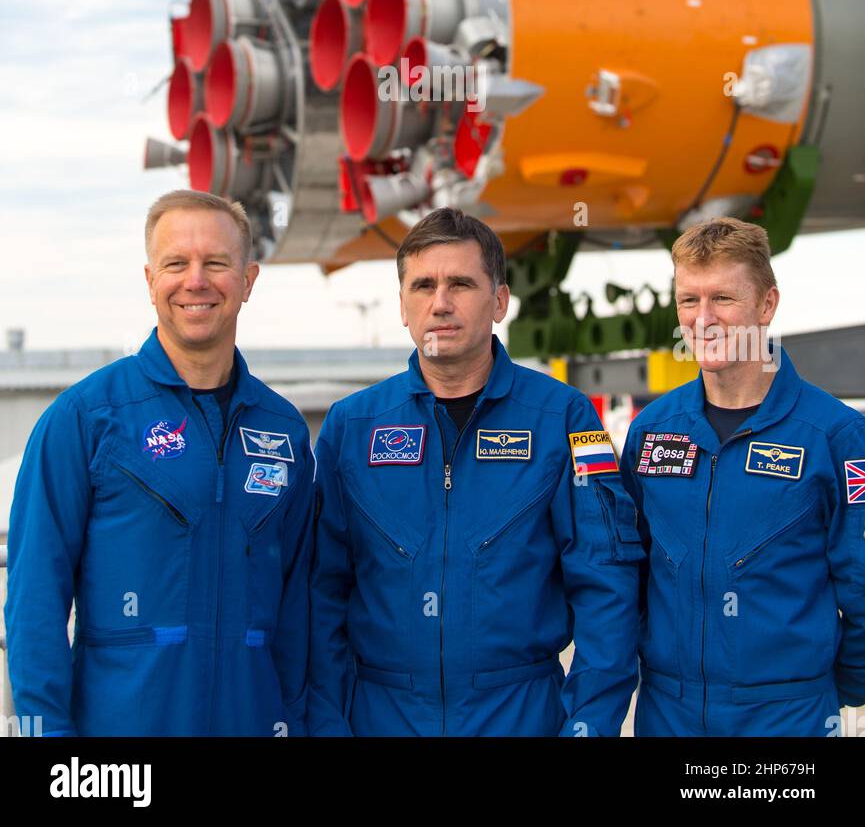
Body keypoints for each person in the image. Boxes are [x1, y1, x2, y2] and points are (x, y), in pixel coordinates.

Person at [308, 207, 641, 737]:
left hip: (521, 716)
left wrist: (590, 724)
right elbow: (320, 595)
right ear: (402, 306)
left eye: (461, 283)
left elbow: (607, 584)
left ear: (501, 301)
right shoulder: (351, 427)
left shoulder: (567, 418)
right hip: (381, 718)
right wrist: (328, 725)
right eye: (423, 286)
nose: (440, 303)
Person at [5, 189, 314, 737]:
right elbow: (34, 604)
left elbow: (297, 612)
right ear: (151, 280)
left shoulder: (283, 429)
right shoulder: (86, 419)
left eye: (216, 262)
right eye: (177, 263)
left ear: (248, 280)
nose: (196, 280)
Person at [620, 216, 865, 737]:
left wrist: (840, 685)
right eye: (689, 300)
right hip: (669, 711)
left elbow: (861, 579)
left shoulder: (836, 435)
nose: (703, 319)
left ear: (767, 304)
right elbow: (627, 570)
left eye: (723, 299)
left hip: (786, 715)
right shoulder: (651, 432)